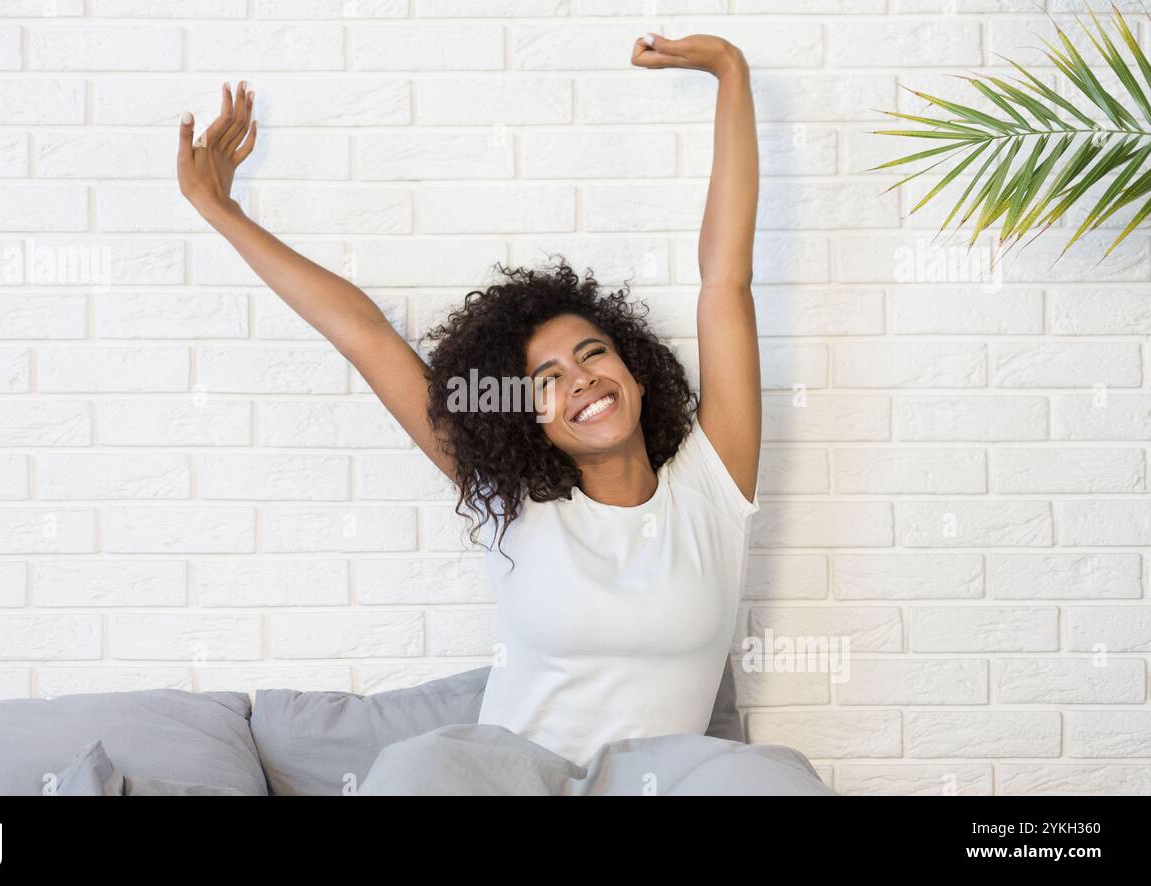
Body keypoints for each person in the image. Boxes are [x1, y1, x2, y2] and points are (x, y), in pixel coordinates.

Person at [177, 32, 762, 793]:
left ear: (637, 376)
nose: (580, 381)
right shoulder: (514, 502)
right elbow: (364, 334)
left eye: (592, 355)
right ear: (530, 416)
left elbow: (726, 280)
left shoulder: (714, 491)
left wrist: (730, 71)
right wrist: (219, 209)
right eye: (546, 379)